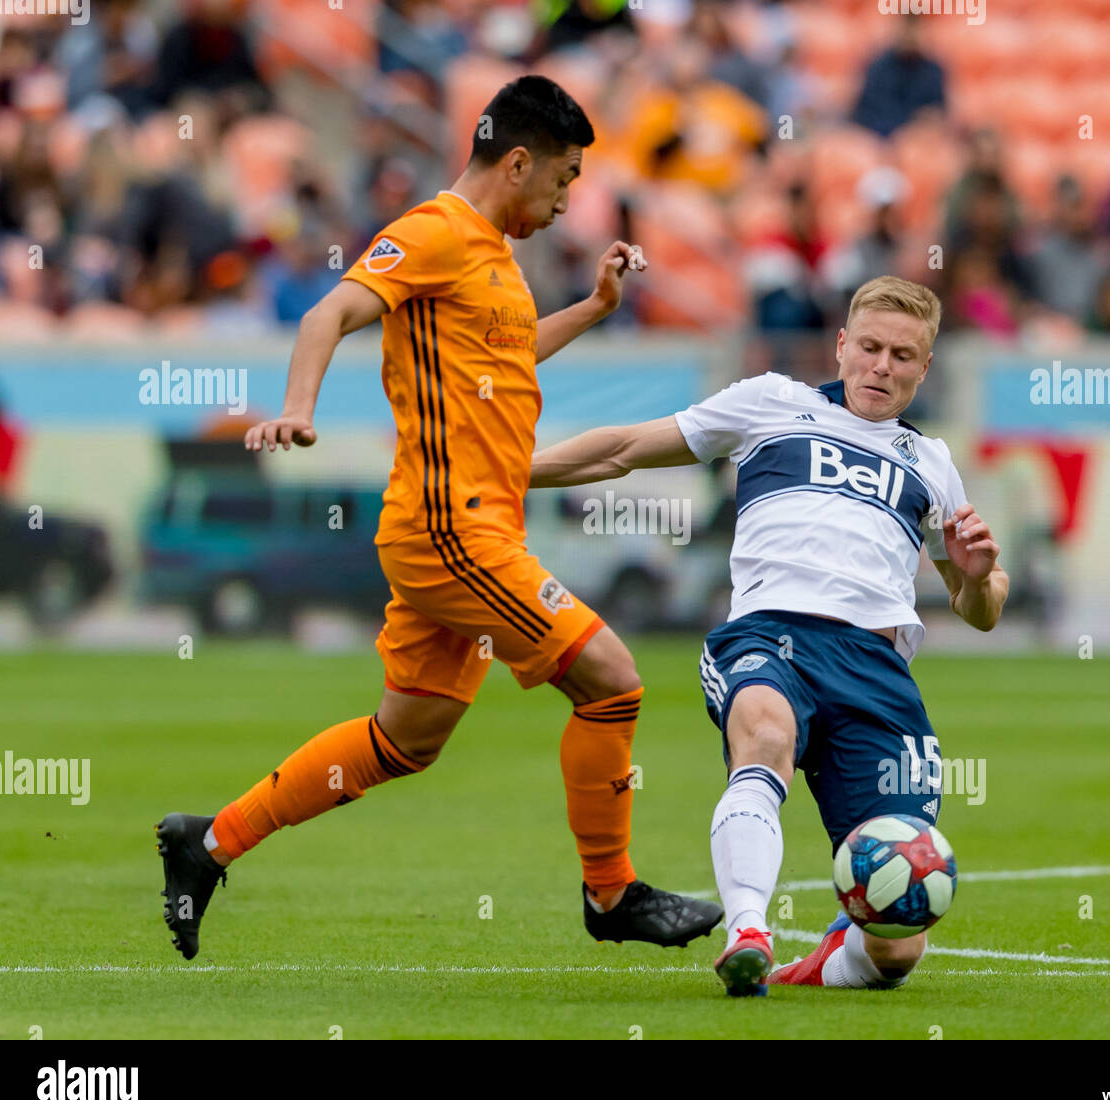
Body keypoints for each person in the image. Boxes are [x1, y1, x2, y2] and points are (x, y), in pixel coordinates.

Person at [154, 76, 723, 960]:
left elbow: (502, 352)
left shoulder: (492, 256)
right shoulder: (434, 230)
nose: (568, 200)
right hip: (449, 529)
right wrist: (298, 407)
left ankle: (209, 842)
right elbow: (329, 311)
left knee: (403, 738)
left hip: (469, 529)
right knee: (611, 679)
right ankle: (610, 893)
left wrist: (594, 310)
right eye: (564, 180)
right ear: (521, 162)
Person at [530, 276, 1008, 996]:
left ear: (925, 367)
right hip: (769, 636)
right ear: (842, 346)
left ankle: (825, 962)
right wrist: (505, 476)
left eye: (903, 355)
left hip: (877, 670)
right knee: (765, 737)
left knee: (897, 951)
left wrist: (974, 577)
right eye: (870, 347)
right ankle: (748, 929)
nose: (882, 366)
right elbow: (624, 448)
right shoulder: (772, 402)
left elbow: (983, 611)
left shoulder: (931, 463)